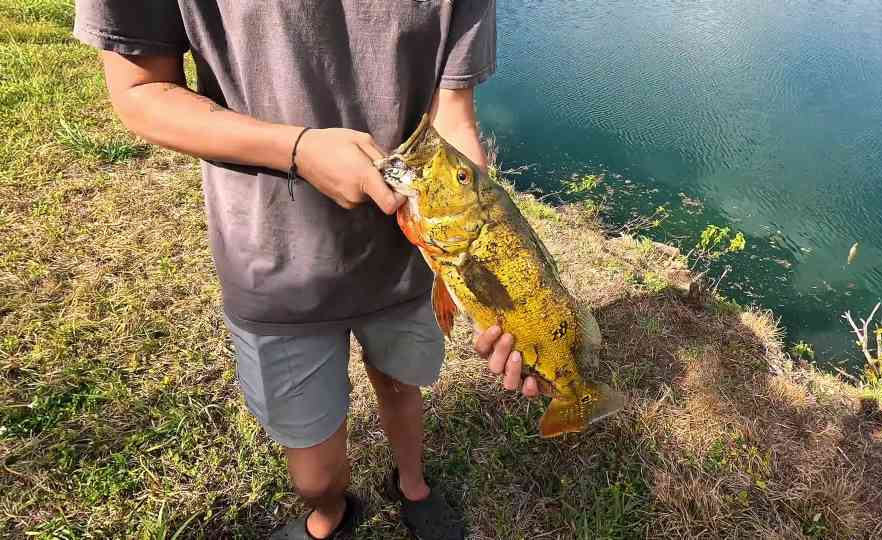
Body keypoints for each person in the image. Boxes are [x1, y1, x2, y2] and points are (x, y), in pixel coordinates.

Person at [73, 2, 542, 539]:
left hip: (406, 261)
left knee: (402, 386)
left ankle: (412, 483)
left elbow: (452, 119)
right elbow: (139, 91)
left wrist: (504, 294)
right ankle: (329, 512)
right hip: (275, 264)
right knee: (314, 473)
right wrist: (295, 149)